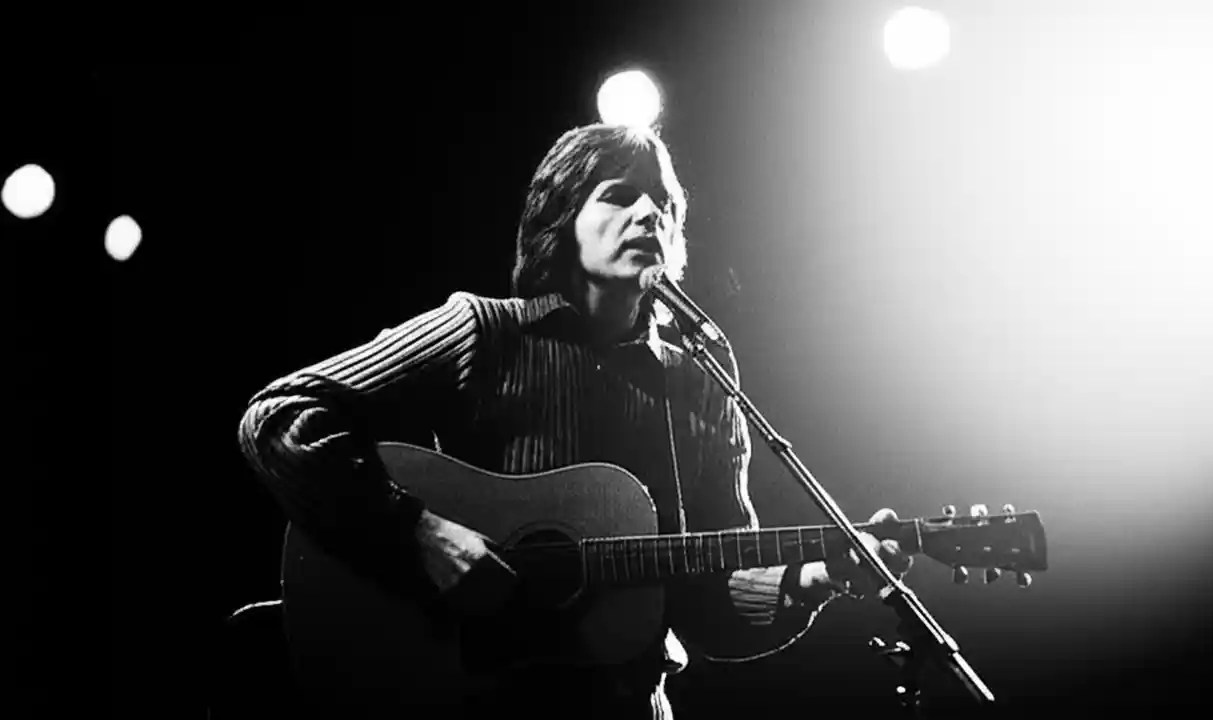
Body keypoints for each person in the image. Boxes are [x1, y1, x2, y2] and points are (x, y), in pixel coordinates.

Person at [236, 122, 912, 718]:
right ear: (561, 219)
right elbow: (281, 415)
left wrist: (813, 579)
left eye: (666, 204)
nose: (651, 212)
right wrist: (412, 531)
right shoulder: (484, 334)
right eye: (619, 194)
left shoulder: (700, 380)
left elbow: (710, 603)